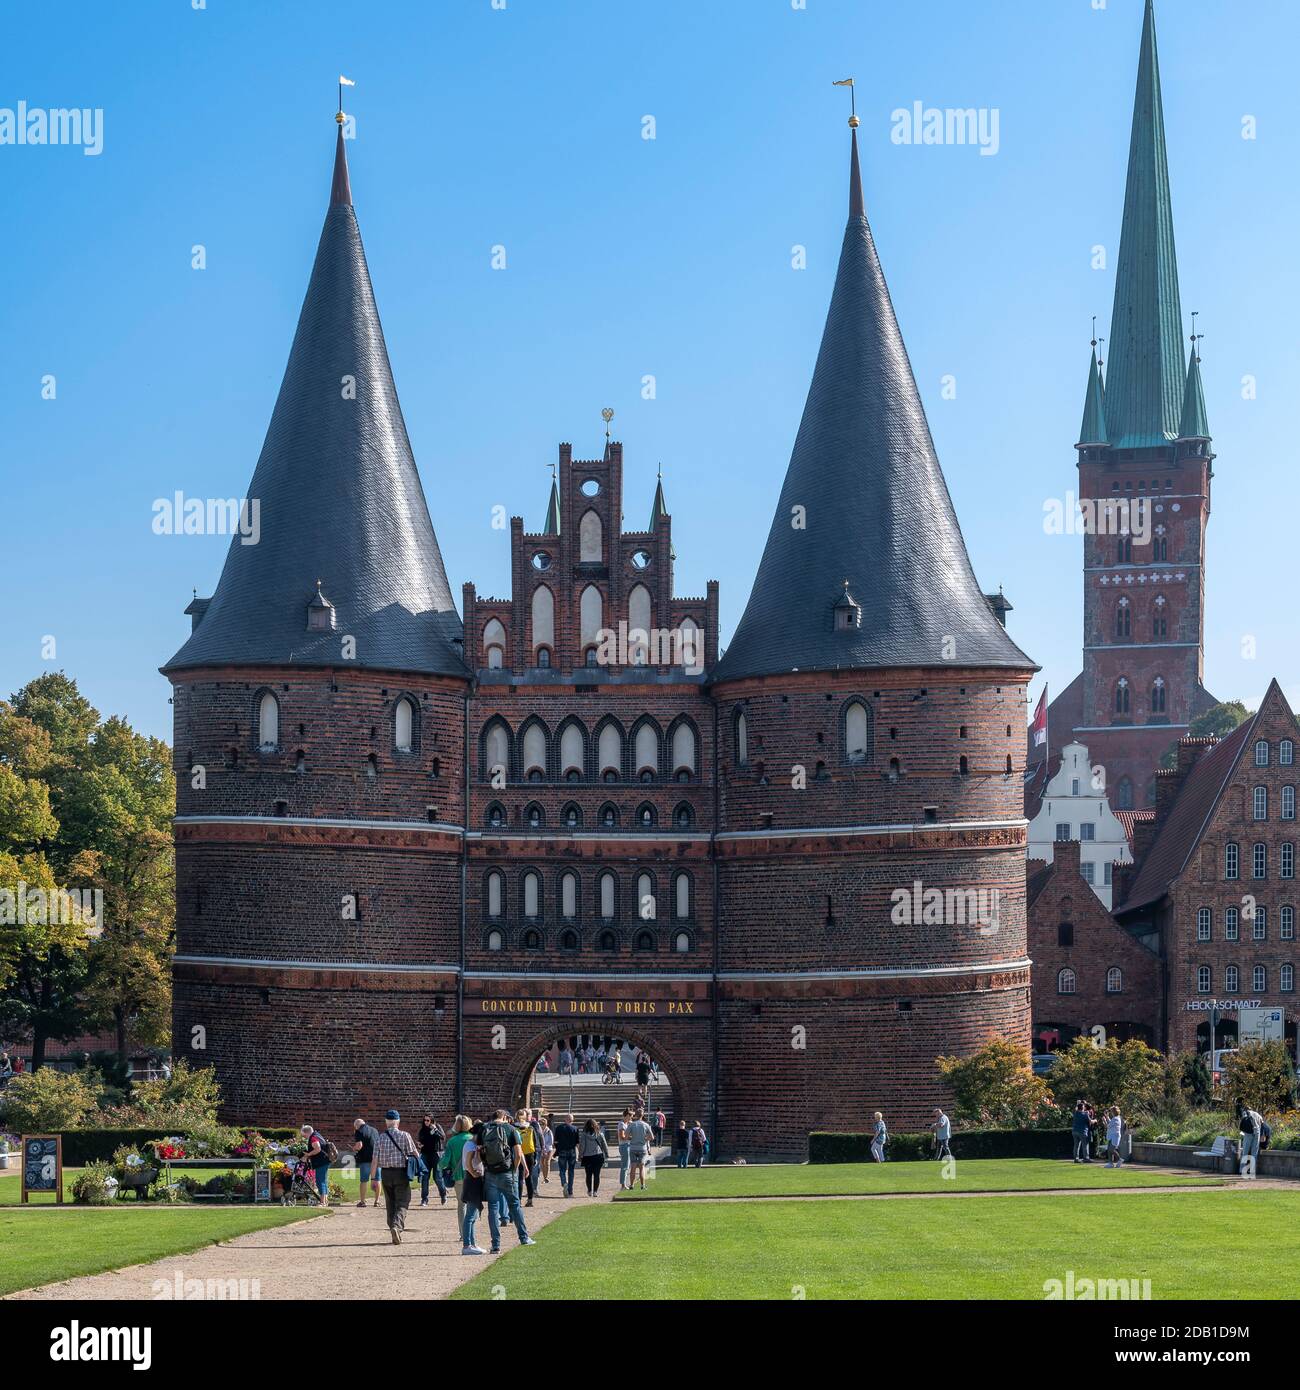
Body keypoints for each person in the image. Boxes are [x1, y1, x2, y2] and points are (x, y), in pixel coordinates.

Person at [479, 1109, 535, 1252]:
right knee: (515, 1205)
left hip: (491, 1172)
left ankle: (496, 1245)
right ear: (504, 1117)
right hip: (507, 1172)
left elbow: (478, 1151)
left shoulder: (484, 1129)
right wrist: (514, 1169)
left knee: (493, 1208)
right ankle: (523, 1237)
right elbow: (517, 1153)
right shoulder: (510, 1129)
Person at [373, 1110, 420, 1244]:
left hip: (386, 1173)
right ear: (398, 1122)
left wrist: (373, 1178)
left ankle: (393, 1229)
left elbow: (374, 1160)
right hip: (401, 1173)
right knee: (403, 1202)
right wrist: (421, 1165)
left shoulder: (380, 1137)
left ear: (386, 1122)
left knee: (390, 1203)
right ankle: (396, 1227)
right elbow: (414, 1152)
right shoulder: (405, 1135)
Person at [439, 1114, 473, 1230]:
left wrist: (440, 1164)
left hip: (459, 1176)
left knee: (461, 1205)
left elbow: (445, 1162)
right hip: (474, 1175)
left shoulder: (452, 1141)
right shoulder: (473, 1138)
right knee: (473, 1204)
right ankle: (471, 1230)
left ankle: (463, 1233)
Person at [460, 1121, 487, 1255]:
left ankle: (472, 1244)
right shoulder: (470, 1145)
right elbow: (468, 1162)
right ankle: (467, 1245)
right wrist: (474, 1173)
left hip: (472, 1179)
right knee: (470, 1215)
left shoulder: (472, 1144)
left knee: (473, 1215)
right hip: (472, 1180)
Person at [418, 1113, 447, 1207]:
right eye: (425, 1120)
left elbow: (443, 1137)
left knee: (437, 1177)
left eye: (428, 1120)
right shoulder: (423, 1130)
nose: (426, 1122)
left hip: (436, 1154)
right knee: (425, 1177)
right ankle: (424, 1199)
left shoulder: (437, 1127)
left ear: (432, 1120)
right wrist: (419, 1145)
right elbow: (420, 1140)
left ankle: (443, 1194)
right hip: (425, 1154)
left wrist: (435, 1129)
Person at [301, 1123, 334, 1206]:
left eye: (304, 1135)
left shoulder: (313, 1138)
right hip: (325, 1160)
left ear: (307, 1132)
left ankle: (322, 1202)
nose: (304, 1137)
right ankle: (325, 1201)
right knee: (323, 1181)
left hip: (321, 1162)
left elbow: (318, 1149)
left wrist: (308, 1154)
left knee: (320, 1181)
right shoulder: (317, 1135)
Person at [351, 1116, 380, 1208]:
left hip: (365, 1159)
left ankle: (363, 1201)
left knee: (364, 1180)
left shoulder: (359, 1131)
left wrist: (354, 1148)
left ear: (356, 1126)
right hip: (376, 1158)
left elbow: (359, 1145)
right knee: (377, 1180)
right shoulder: (374, 1130)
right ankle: (377, 1201)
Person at [625, 1109, 654, 1190]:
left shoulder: (631, 1125)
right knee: (642, 1167)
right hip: (642, 1148)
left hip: (633, 1148)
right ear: (643, 1115)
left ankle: (631, 1185)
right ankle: (642, 1185)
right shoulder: (646, 1125)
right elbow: (652, 1137)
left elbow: (626, 1137)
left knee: (633, 1167)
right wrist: (645, 1139)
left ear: (635, 1115)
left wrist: (632, 1138)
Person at [514, 1107, 538, 1207]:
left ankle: (518, 1199)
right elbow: (535, 1143)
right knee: (529, 1177)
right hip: (530, 1154)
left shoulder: (514, 1128)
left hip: (518, 1153)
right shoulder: (531, 1128)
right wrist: (535, 1156)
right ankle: (530, 1199)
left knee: (519, 1177)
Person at [579, 1118, 610, 1195]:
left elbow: (582, 1146)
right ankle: (595, 1191)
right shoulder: (600, 1134)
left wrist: (580, 1155)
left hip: (587, 1156)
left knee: (588, 1175)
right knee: (597, 1174)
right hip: (598, 1155)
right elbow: (604, 1145)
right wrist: (606, 1154)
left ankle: (589, 1190)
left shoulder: (584, 1135)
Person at [553, 1113, 579, 1197]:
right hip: (572, 1152)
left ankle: (564, 1183)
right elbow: (577, 1143)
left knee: (562, 1170)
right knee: (571, 1171)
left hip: (562, 1151)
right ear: (572, 1120)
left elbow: (555, 1142)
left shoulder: (559, 1128)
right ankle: (570, 1191)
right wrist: (580, 1153)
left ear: (565, 1119)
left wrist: (557, 1149)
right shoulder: (575, 1128)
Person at [1238, 1102, 1266, 1177]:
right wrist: (1262, 1134)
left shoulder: (1245, 1113)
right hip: (1257, 1132)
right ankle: (1252, 1171)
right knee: (1254, 1152)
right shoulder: (1257, 1114)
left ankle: (1242, 1170)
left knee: (1245, 1151)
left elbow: (1243, 1123)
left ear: (1245, 1109)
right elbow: (1262, 1123)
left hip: (1248, 1133)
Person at [617, 1109, 633, 1189]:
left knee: (627, 1165)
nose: (631, 1118)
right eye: (630, 1117)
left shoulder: (627, 1123)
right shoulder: (621, 1124)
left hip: (628, 1145)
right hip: (624, 1146)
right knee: (625, 1166)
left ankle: (624, 1183)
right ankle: (623, 1184)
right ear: (627, 1116)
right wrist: (632, 1138)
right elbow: (622, 1137)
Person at [539, 1114, 554, 1184]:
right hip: (541, 1149)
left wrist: (545, 1148)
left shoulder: (549, 1131)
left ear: (545, 1125)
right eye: (540, 1124)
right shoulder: (539, 1131)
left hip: (548, 1149)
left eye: (542, 1124)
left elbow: (551, 1142)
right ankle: (544, 1177)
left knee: (547, 1162)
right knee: (542, 1163)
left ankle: (547, 1177)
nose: (540, 1125)